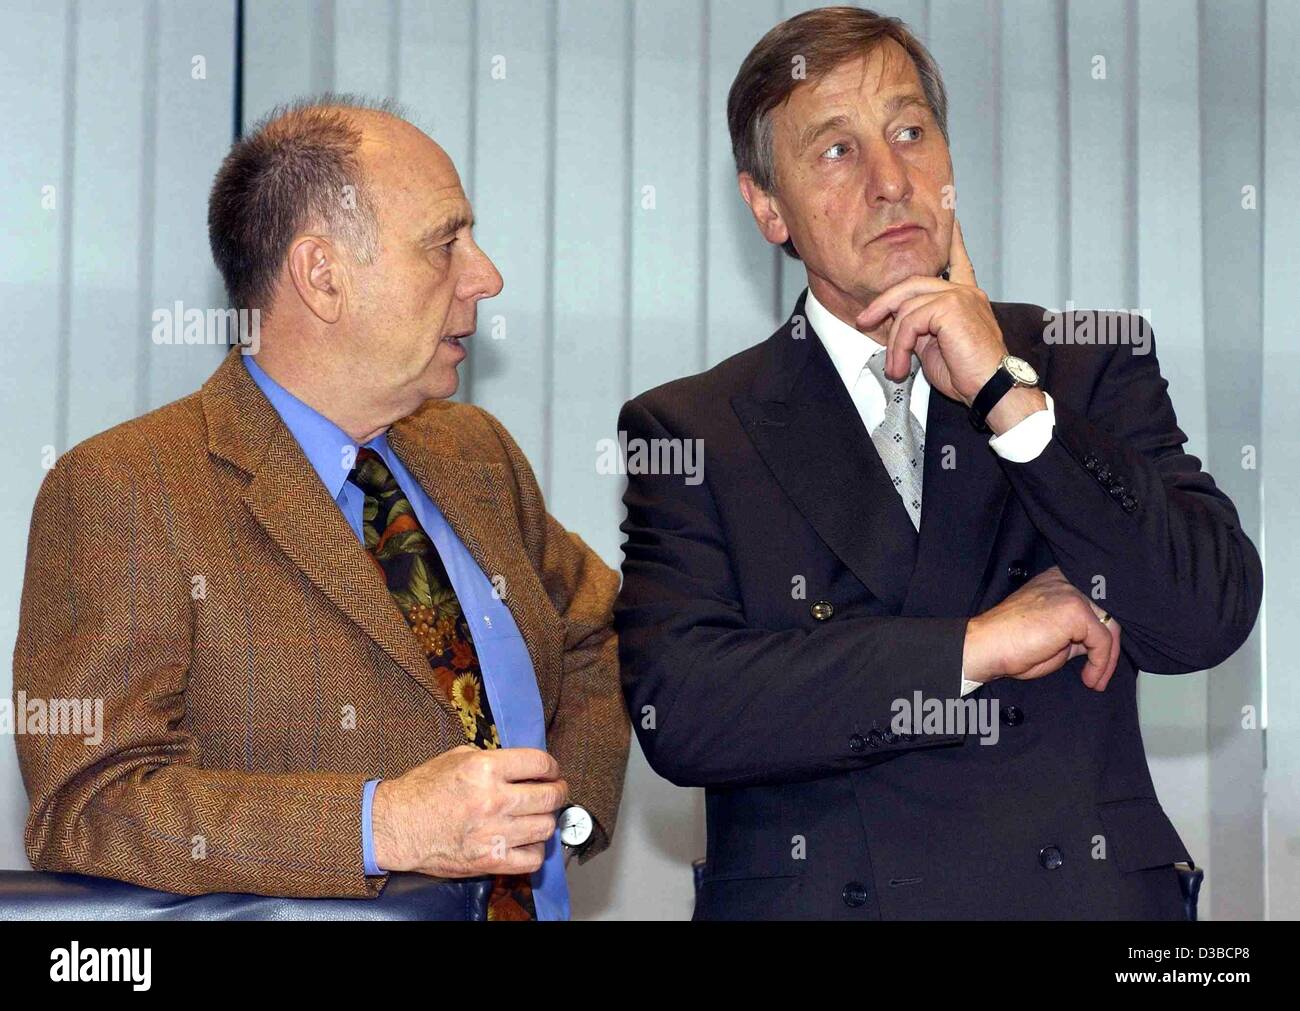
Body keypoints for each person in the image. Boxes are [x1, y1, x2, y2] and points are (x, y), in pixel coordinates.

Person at [615, 7, 1261, 919]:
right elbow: (684, 711)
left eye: (911, 132)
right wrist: (978, 644)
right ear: (768, 206)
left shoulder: (1083, 359)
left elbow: (1204, 616)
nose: (892, 181)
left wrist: (1008, 397)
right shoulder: (695, 426)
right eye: (837, 151)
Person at [14, 96, 629, 921]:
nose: (485, 276)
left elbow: (595, 628)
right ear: (322, 275)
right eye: (445, 244)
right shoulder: (127, 488)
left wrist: (564, 813)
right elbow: (89, 805)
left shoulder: (475, 452)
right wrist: (382, 824)